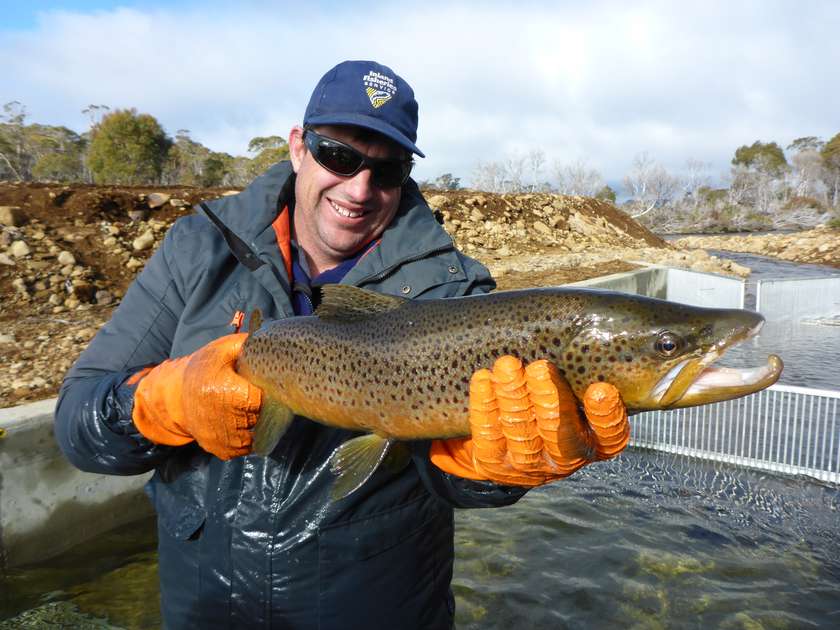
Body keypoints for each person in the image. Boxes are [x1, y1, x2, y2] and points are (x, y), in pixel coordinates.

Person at [55, 60, 629, 629]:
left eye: (388, 170)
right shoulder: (200, 250)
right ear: (298, 147)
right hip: (206, 609)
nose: (360, 189)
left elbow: (451, 478)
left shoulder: (453, 291)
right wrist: (165, 402)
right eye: (339, 156)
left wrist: (493, 471)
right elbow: (79, 425)